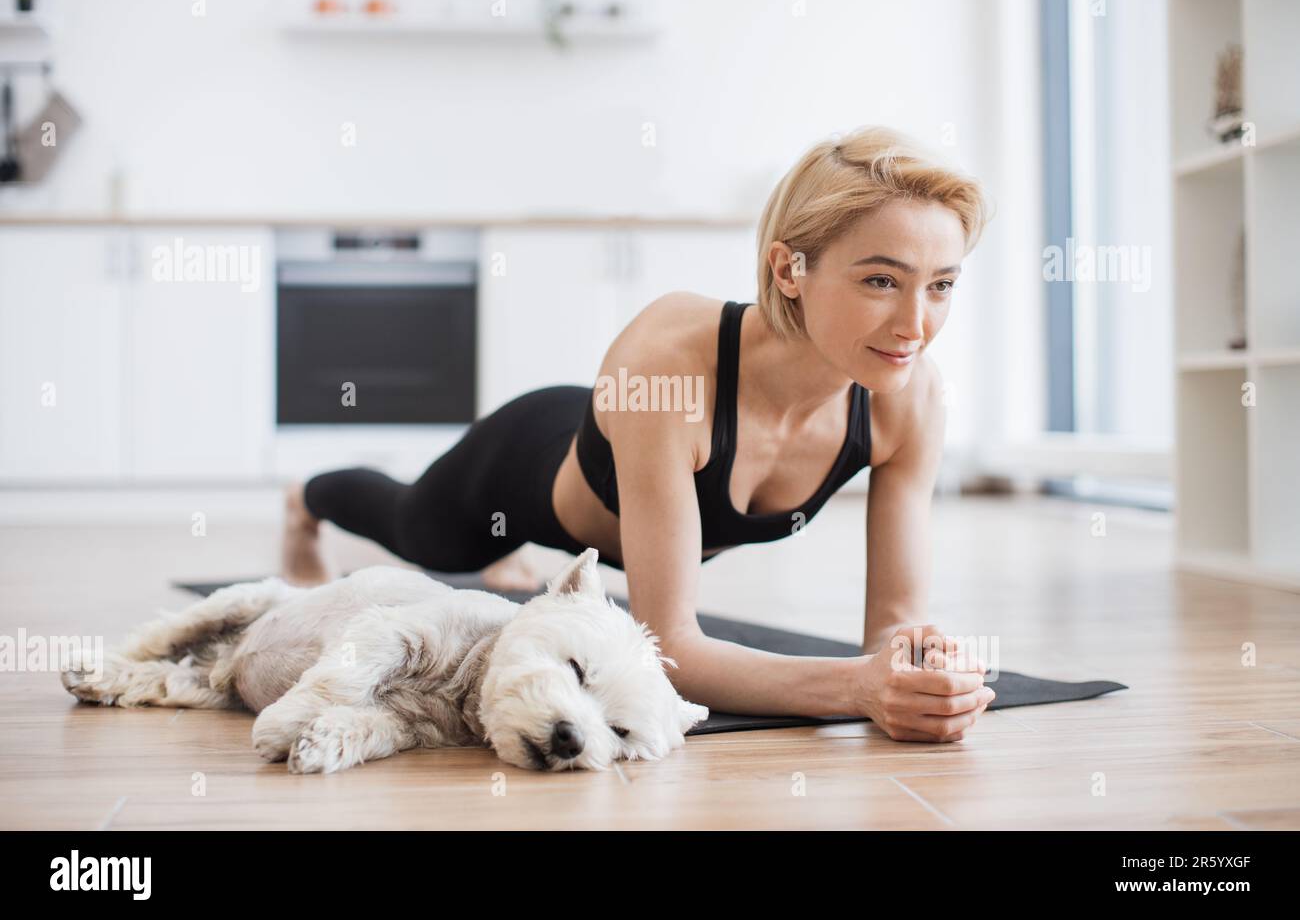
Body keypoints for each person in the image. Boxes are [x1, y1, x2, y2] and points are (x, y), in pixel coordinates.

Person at [283, 125, 997, 741]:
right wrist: (856, 689)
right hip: (528, 460)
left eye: (941, 285)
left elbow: (892, 630)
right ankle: (306, 501)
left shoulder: (912, 397)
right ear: (789, 270)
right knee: (423, 533)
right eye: (881, 281)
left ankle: (507, 570)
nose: (915, 325)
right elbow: (669, 649)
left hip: (635, 478)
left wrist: (915, 668)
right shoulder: (671, 364)